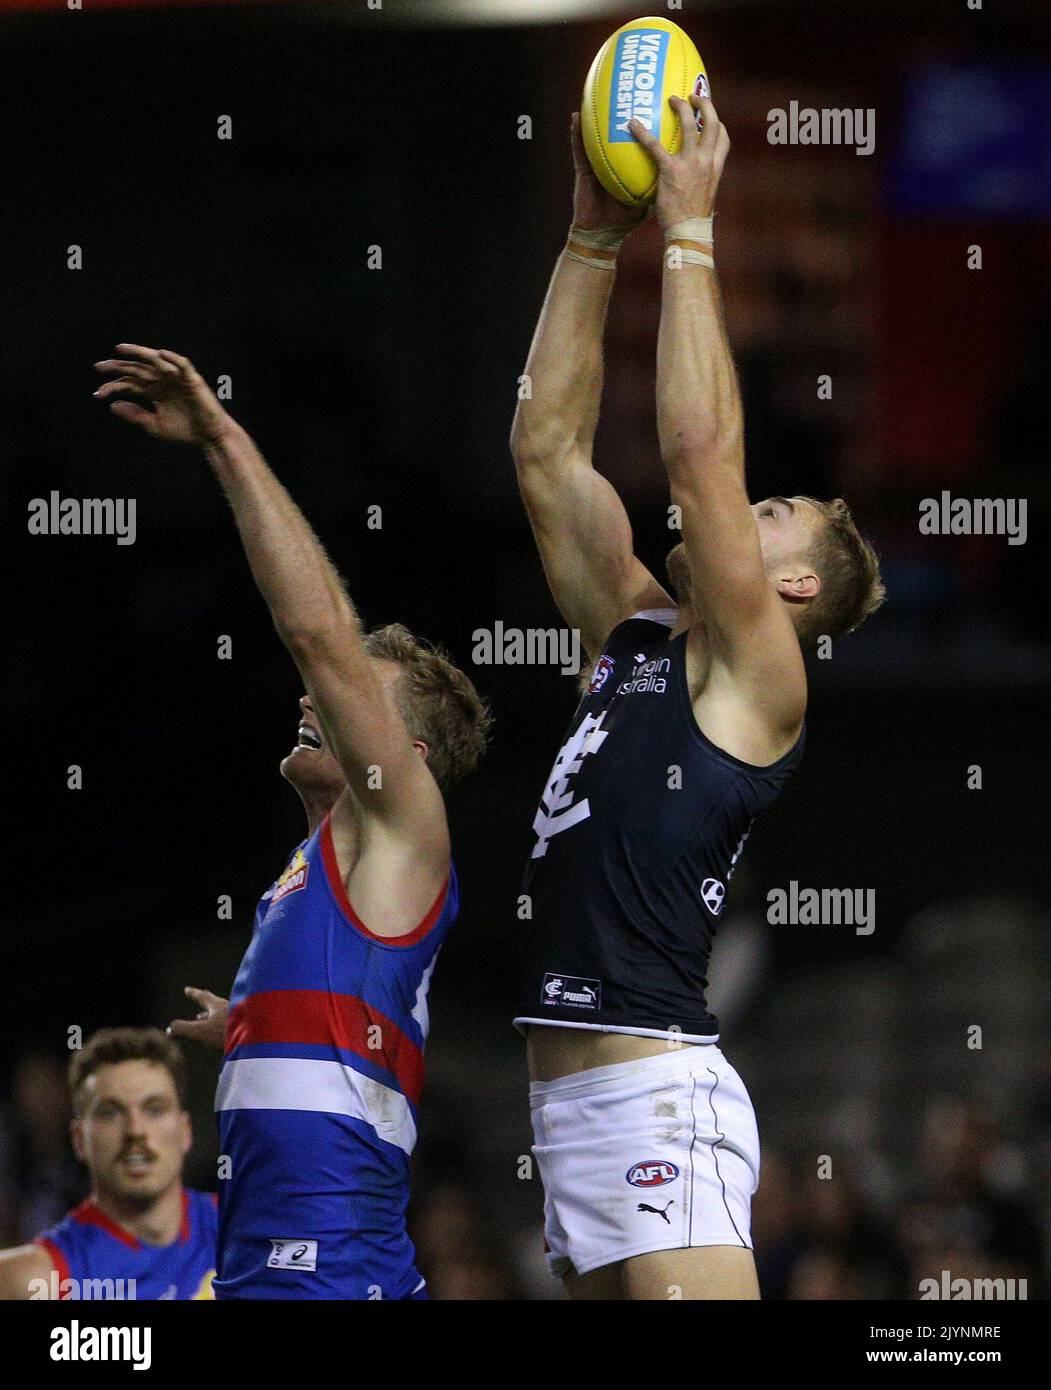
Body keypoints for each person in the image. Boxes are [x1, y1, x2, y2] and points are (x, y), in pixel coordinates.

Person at [509, 96, 884, 1299]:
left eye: (773, 515)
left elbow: (693, 454)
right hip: (567, 1102)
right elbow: (546, 454)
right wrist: (587, 240)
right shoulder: (629, 635)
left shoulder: (760, 674)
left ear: (786, 582)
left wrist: (690, 229)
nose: (744, 506)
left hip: (655, 1088)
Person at [94, 344, 491, 1299]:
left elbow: (316, 632)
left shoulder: (403, 829)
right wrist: (253, 1029)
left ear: (411, 762)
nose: (315, 697)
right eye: (325, 693)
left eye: (351, 696)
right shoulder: (321, 863)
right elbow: (373, 1023)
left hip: (331, 1273)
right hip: (262, 1267)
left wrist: (223, 441)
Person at [0, 1028, 217, 1300]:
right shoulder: (36, 1279)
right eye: (110, 1113)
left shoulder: (243, 1228)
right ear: (79, 1140)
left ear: (185, 1131)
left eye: (154, 1109)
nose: (135, 1130)